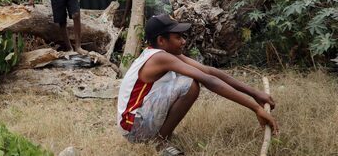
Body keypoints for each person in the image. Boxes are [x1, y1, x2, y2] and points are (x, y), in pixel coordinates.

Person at [117, 14, 278, 155]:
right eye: (178, 37)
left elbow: (209, 71)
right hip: (134, 127)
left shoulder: (165, 54)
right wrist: (255, 108)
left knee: (191, 81)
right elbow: (208, 81)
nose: (184, 41)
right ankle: (160, 142)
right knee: (190, 84)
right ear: (161, 40)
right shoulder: (159, 57)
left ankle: (160, 136)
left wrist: (254, 93)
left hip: (134, 122)